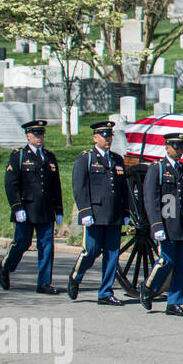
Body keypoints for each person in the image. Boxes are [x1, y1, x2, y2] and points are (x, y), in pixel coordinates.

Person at [68, 120, 131, 305]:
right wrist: (85, 211)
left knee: (112, 253)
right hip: (95, 213)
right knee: (92, 250)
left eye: (110, 135)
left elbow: (123, 189)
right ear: (95, 137)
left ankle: (105, 292)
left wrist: (125, 211)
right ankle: (76, 276)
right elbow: (79, 187)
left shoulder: (117, 160)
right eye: (104, 135)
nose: (108, 139)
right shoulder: (86, 158)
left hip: (113, 214)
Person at [0, 119, 65, 294]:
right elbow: (11, 184)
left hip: (45, 209)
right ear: (28, 136)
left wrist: (59, 209)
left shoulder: (49, 157)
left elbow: (55, 185)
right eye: (36, 134)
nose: (39, 137)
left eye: (41, 133)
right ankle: (6, 266)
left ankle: (44, 283)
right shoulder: (19, 155)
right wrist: (16, 207)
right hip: (26, 209)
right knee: (22, 242)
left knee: (47, 246)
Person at [141, 132, 183, 316]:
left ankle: (174, 303)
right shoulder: (157, 169)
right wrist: (156, 225)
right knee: (167, 260)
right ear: (166, 147)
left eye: (182, 147)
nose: (179, 150)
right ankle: (149, 288)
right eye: (176, 147)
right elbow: (151, 199)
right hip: (166, 223)